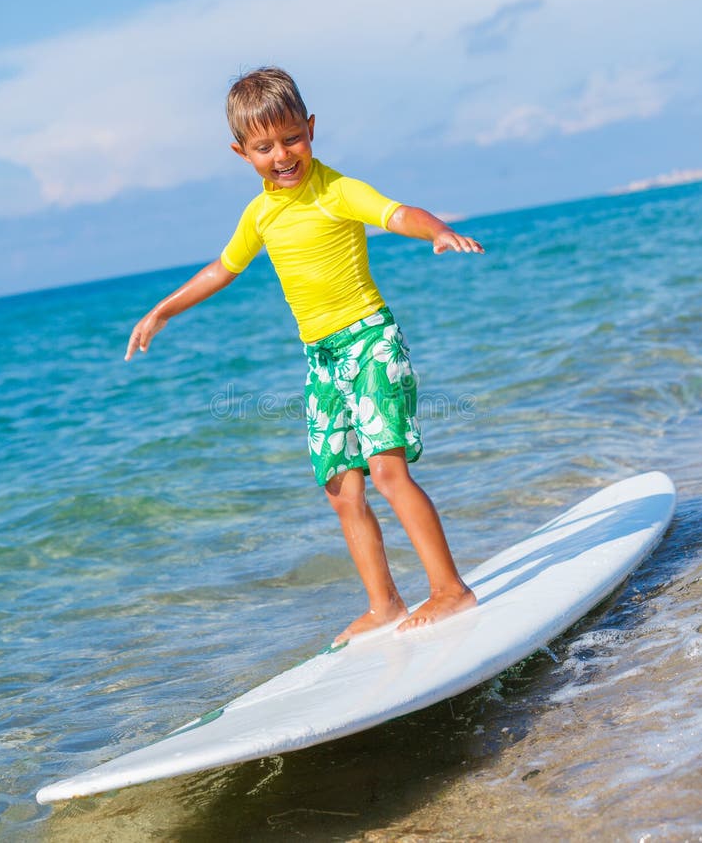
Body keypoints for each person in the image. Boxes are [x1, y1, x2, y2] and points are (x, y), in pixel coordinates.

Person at [125, 67, 483, 644]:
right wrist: (163, 310)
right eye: (264, 147)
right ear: (242, 153)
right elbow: (224, 268)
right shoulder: (260, 215)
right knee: (340, 485)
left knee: (389, 472)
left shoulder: (337, 190)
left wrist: (437, 230)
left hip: (370, 341)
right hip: (321, 358)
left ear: (311, 129)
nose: (282, 155)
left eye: (291, 138)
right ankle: (384, 603)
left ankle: (449, 590)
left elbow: (396, 213)